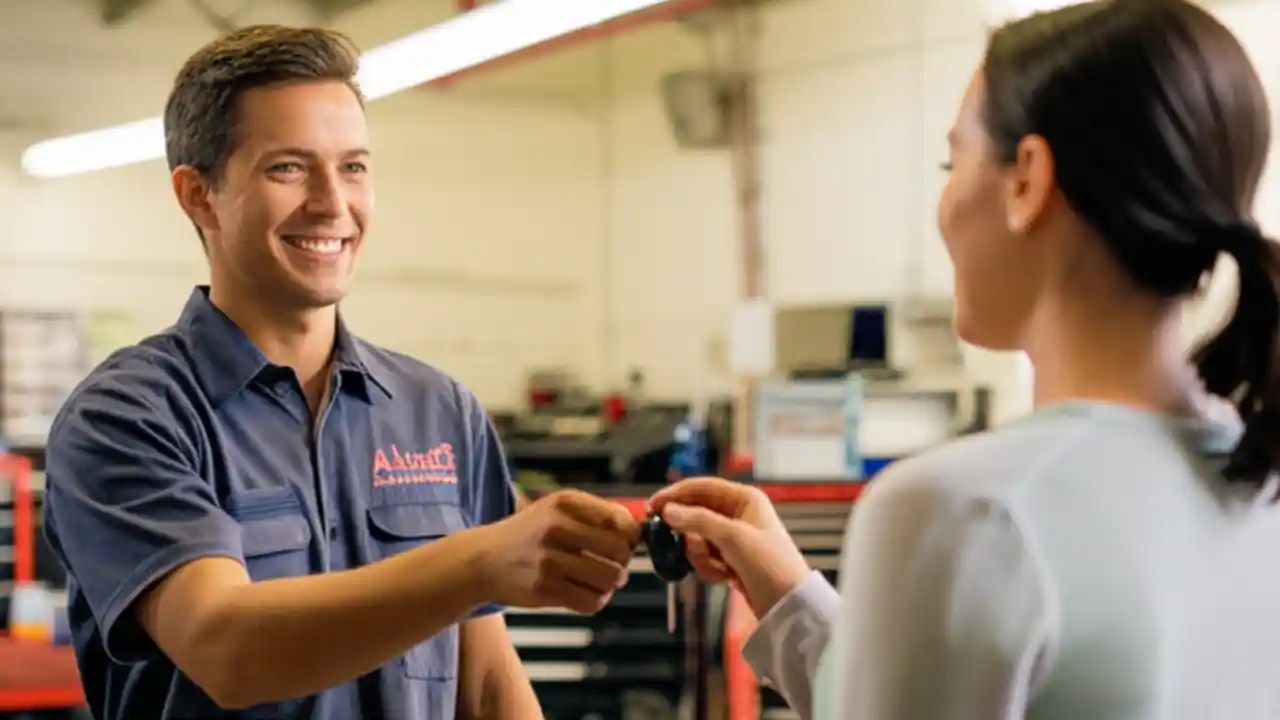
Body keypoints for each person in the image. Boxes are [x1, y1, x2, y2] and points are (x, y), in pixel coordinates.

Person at [651, 1, 1280, 718]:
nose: (945, 201)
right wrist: (788, 593)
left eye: (955, 161)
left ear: (1027, 181)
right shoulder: (1257, 473)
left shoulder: (970, 509)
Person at [42, 25, 639, 720]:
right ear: (199, 195)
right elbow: (226, 647)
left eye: (353, 167)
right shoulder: (129, 417)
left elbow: (485, 678)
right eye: (288, 168)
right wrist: (477, 561)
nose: (333, 203)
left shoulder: (437, 409)